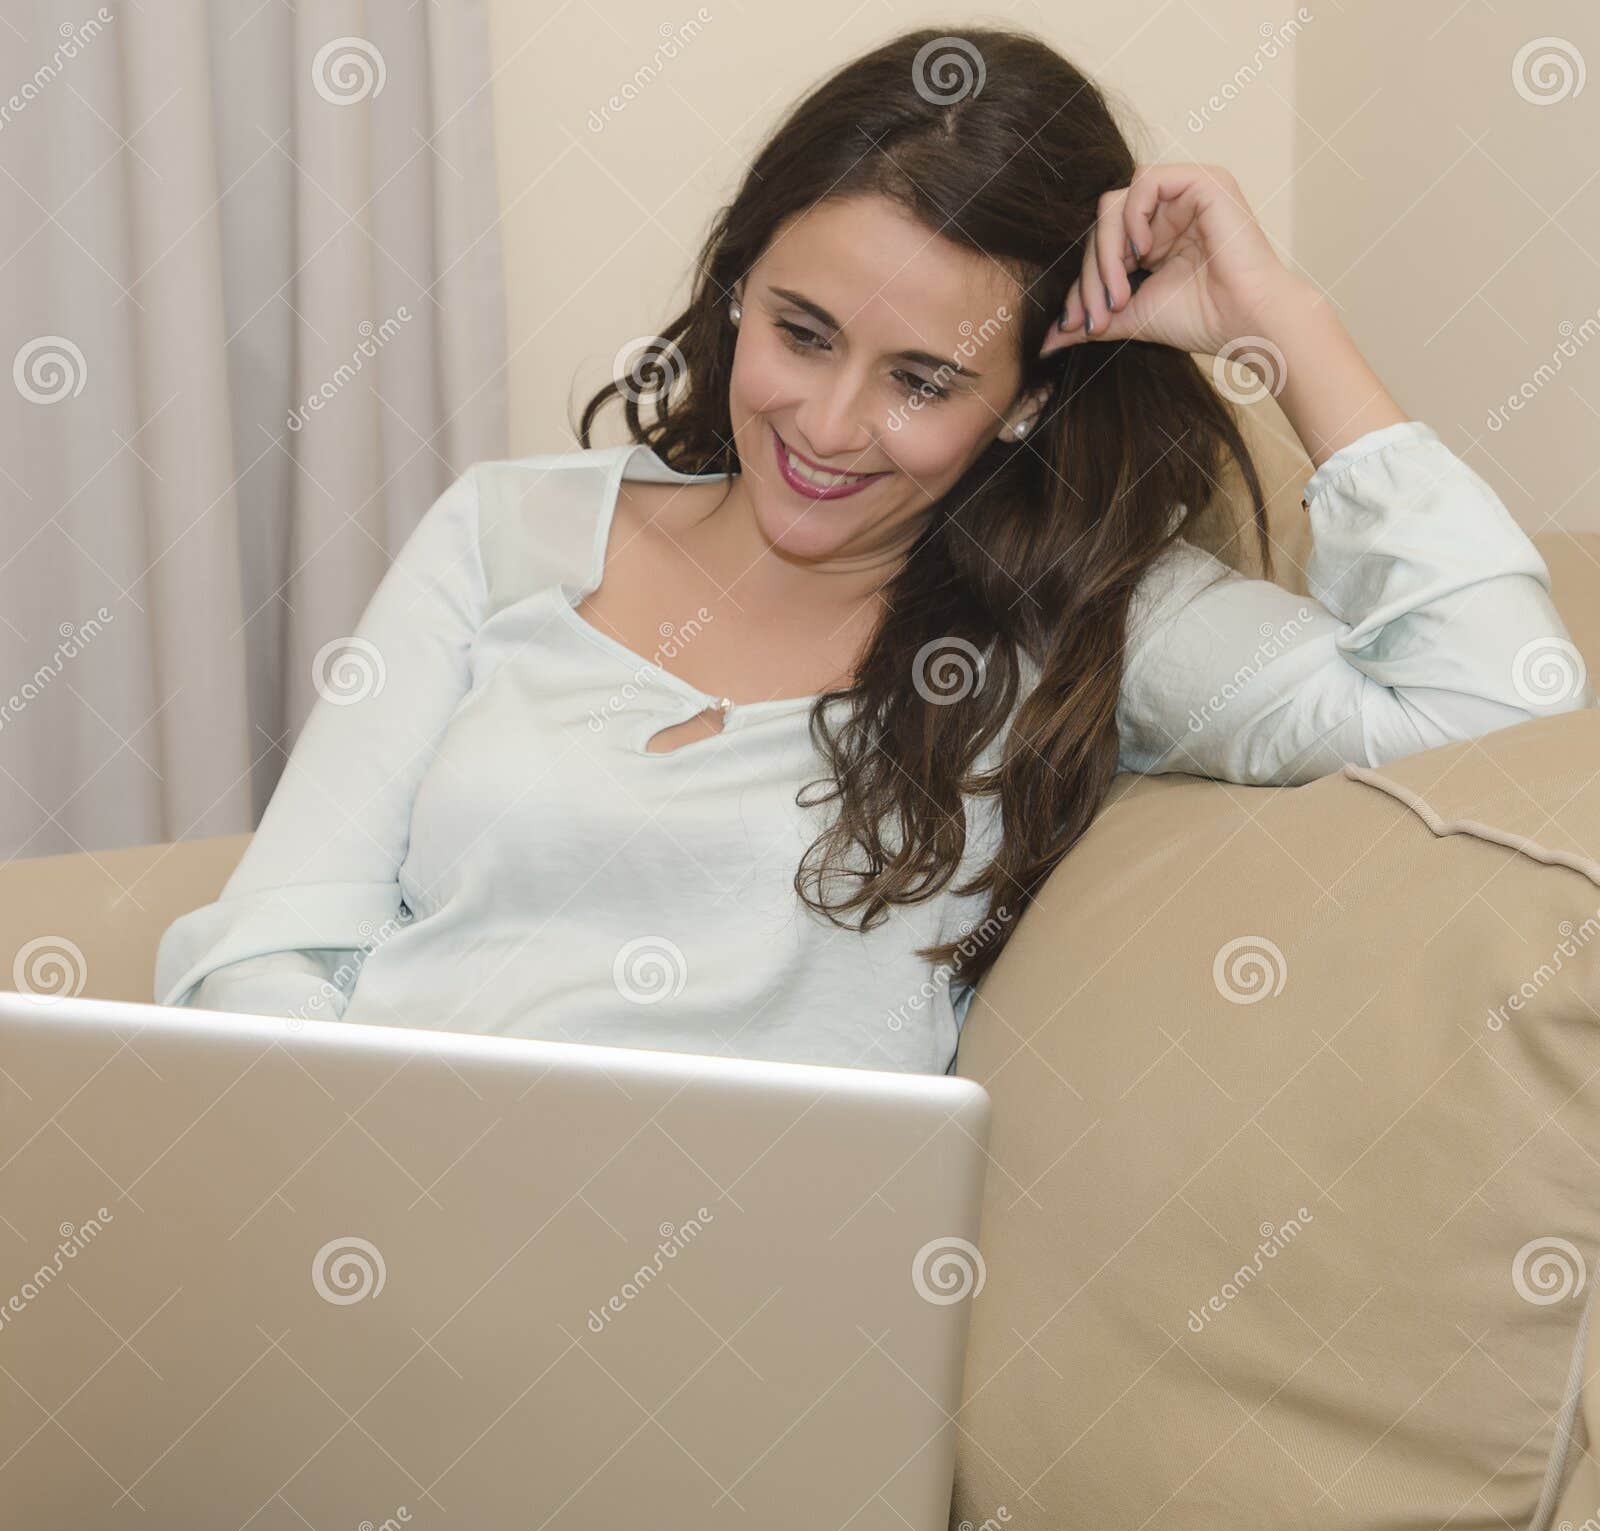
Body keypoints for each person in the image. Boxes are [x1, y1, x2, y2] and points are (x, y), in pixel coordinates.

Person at [153, 26, 1595, 1077]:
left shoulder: (1087, 619)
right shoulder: (504, 531)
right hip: (374, 1252)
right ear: (738, 286)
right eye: (801, 332)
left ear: (1027, 397)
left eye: (921, 380)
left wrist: (1287, 324)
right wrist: (344, 1192)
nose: (830, 427)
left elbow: (1499, 703)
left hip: (736, 1338)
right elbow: (276, 941)